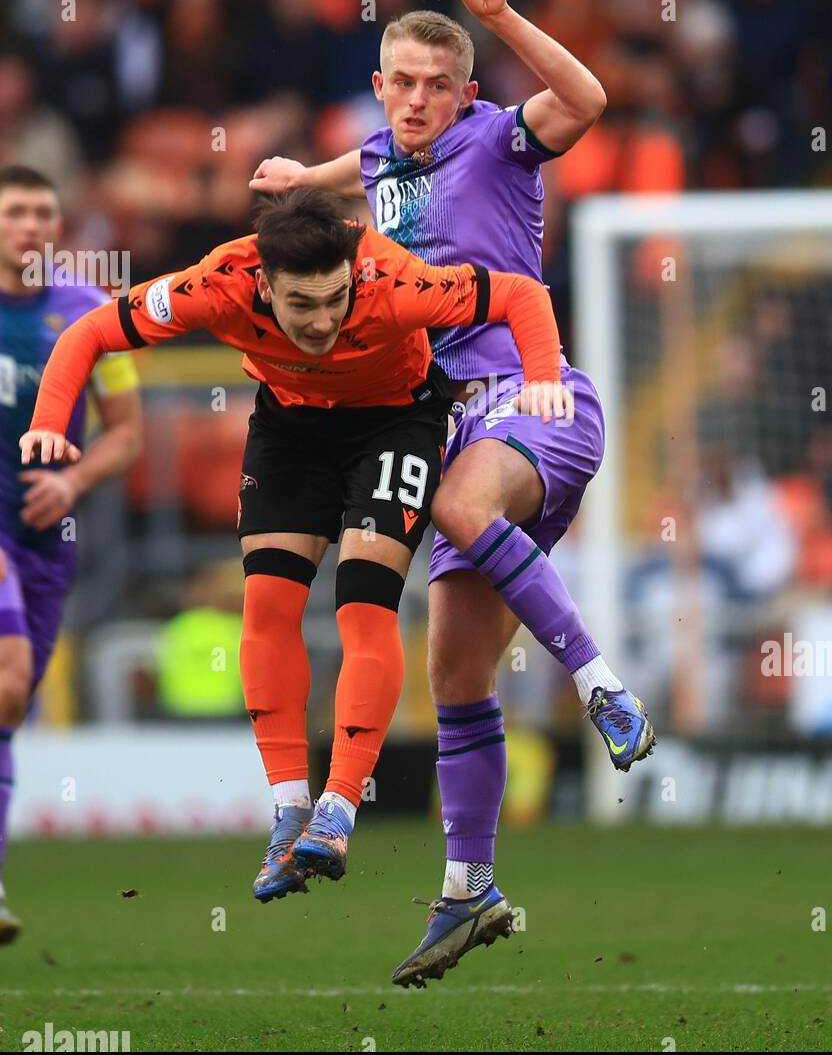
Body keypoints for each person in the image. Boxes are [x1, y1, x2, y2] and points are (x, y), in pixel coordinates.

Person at [250, 0, 655, 989]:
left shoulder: (494, 136)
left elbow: (589, 98)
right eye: (404, 81)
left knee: (458, 501)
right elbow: (368, 162)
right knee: (455, 675)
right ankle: (468, 889)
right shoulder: (381, 159)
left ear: (465, 94)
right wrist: (304, 178)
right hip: (453, 426)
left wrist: (504, 14)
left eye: (440, 82)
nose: (422, 98)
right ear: (380, 88)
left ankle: (601, 683)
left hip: (535, 393)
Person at [22, 189, 568, 930]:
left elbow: (519, 294)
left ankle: (339, 808)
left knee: (362, 601)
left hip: (397, 423)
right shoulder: (215, 283)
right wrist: (52, 423)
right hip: (290, 428)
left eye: (334, 300)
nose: (320, 322)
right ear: (262, 285)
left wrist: (543, 375)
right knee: (268, 607)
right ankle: (289, 813)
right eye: (299, 304)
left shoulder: (394, 280)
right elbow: (89, 332)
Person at [0, 165, 143, 944]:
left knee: (9, 705)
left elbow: (126, 432)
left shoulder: (89, 313)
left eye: (43, 213)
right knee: (11, 675)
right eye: (16, 212)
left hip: (46, 534)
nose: (31, 226)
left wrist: (73, 480)